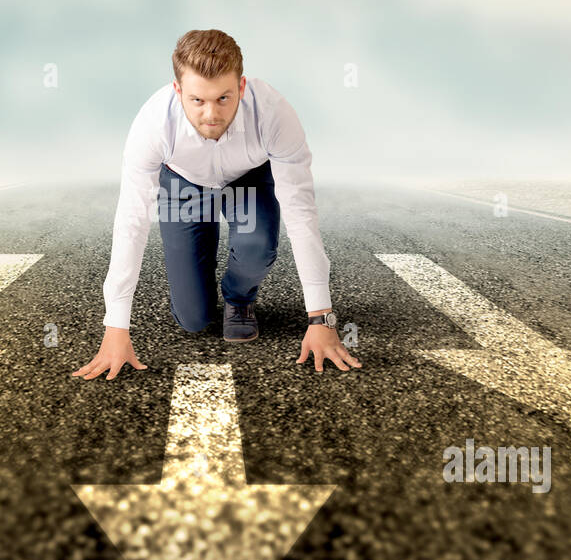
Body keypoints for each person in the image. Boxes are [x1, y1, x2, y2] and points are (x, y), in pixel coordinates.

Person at [72, 29, 363, 380]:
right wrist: (115, 327)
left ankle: (238, 297)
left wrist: (321, 317)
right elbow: (131, 221)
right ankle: (197, 284)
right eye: (197, 100)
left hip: (248, 179)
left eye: (224, 98)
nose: (211, 114)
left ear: (241, 87)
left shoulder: (274, 114)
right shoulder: (153, 125)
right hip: (184, 185)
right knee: (194, 320)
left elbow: (301, 213)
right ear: (178, 91)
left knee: (257, 246)